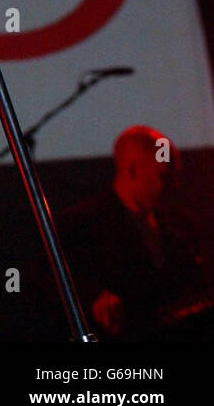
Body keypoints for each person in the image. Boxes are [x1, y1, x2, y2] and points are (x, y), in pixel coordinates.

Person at [58, 125, 209, 339]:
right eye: (164, 177)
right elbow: (51, 279)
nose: (173, 186)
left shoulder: (179, 222)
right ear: (132, 170)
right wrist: (95, 297)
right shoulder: (82, 223)